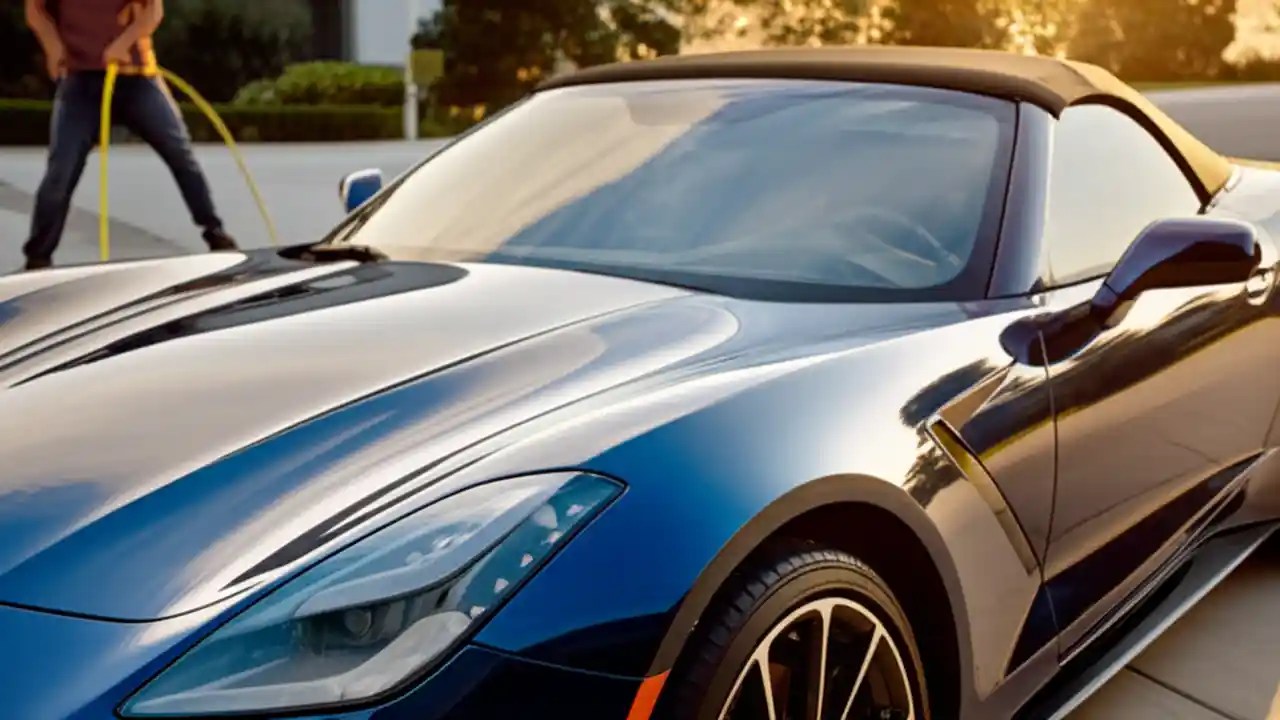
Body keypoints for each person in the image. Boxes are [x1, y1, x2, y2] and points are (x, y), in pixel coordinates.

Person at [21, 0, 238, 271]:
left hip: (137, 79)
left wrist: (124, 42)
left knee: (179, 153)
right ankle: (38, 256)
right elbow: (36, 9)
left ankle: (214, 231)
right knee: (60, 170)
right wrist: (53, 46)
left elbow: (153, 11)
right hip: (81, 82)